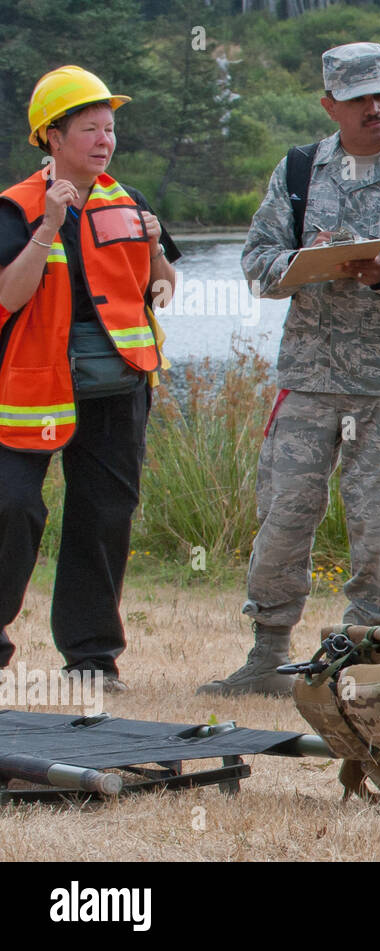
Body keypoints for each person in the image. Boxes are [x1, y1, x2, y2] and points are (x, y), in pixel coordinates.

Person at [198, 42, 380, 696]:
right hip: (309, 379)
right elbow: (256, 263)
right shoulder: (298, 173)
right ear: (329, 105)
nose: (375, 108)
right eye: (358, 99)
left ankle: (364, 656)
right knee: (285, 511)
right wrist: (299, 264)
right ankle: (266, 655)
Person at [0, 66, 179, 693]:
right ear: (53, 137)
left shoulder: (128, 200)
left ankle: (91, 662)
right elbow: (5, 295)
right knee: (12, 510)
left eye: (110, 129)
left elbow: (160, 289)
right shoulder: (15, 209)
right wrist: (47, 226)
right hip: (30, 395)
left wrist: (157, 252)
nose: (104, 141)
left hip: (117, 392)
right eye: (90, 129)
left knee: (103, 518)